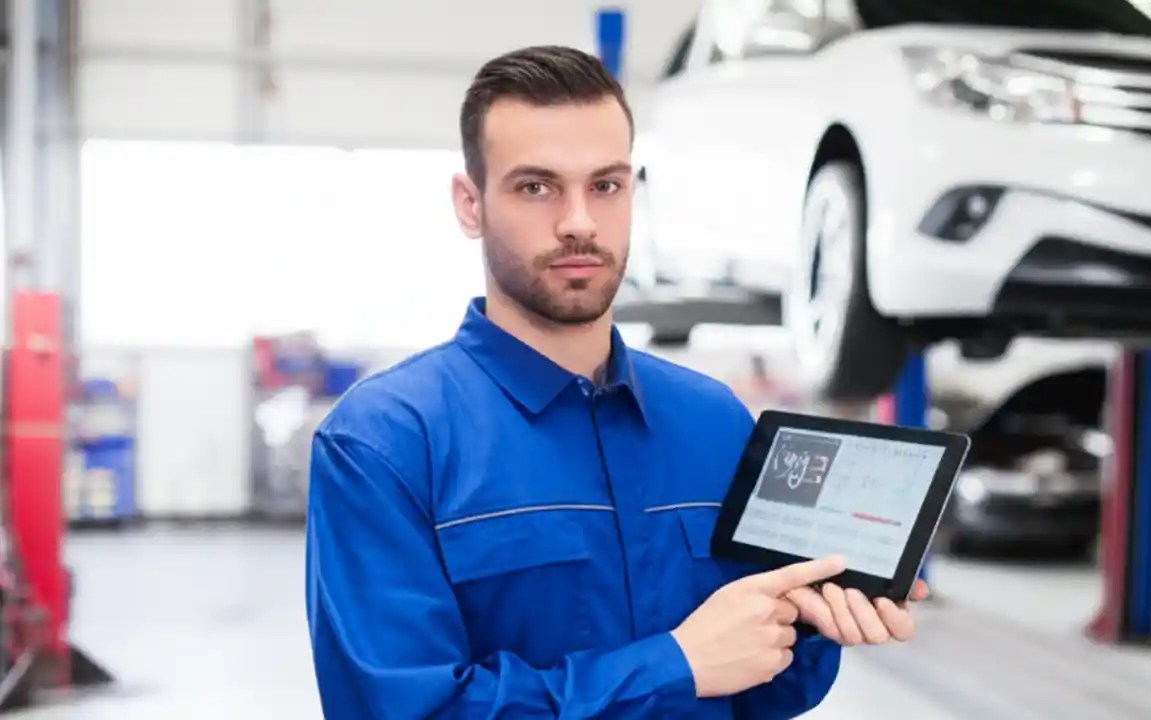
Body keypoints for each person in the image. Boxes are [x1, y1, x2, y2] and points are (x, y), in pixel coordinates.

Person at [304, 45, 929, 719]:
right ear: (470, 203)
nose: (578, 221)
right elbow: (401, 709)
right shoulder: (383, 443)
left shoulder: (714, 422)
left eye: (605, 185)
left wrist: (806, 624)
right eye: (536, 187)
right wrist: (675, 665)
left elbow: (762, 696)